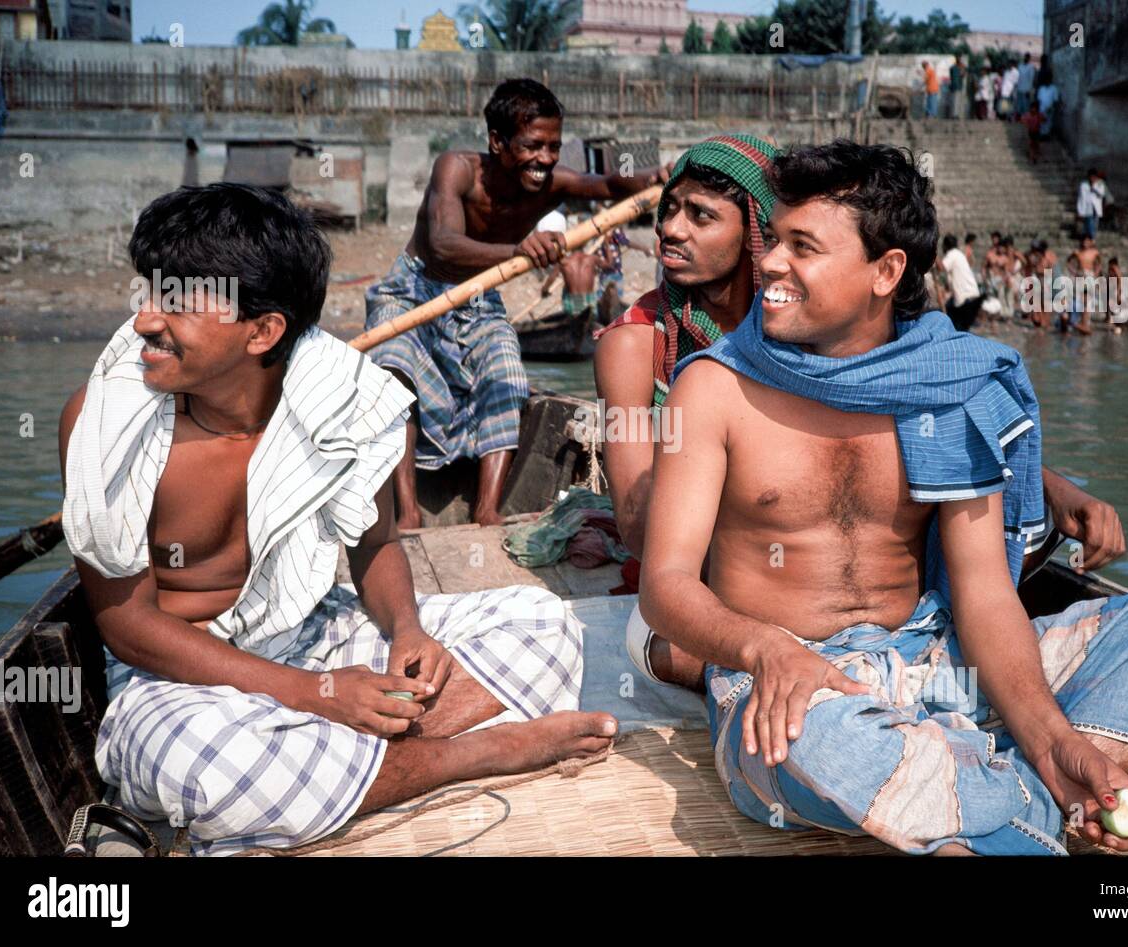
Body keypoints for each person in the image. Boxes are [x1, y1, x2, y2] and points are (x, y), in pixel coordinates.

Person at [638, 139, 1128, 856]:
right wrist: (763, 646)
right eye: (773, 239)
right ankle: (1047, 789)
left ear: (885, 270)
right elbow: (666, 584)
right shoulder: (713, 387)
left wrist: (1056, 746)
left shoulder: (950, 386)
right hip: (793, 685)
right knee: (825, 746)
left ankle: (1006, 781)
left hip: (936, 663)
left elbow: (986, 596)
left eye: (802, 246)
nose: (770, 262)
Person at [58, 184, 617, 856]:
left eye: (175, 303)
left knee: (546, 625)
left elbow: (375, 542)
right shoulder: (107, 417)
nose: (145, 320)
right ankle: (473, 753)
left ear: (263, 331)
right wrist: (314, 694)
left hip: (309, 631)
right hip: (178, 675)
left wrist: (407, 627)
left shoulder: (337, 399)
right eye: (147, 292)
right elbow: (128, 626)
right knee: (207, 765)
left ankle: (335, 765)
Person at [364, 78, 670, 530]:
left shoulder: (551, 183)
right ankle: (408, 511)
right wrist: (518, 253)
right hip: (416, 291)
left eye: (553, 146)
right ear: (497, 142)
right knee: (392, 368)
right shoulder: (457, 169)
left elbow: (605, 183)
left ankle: (486, 509)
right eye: (533, 146)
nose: (545, 159)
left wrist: (650, 180)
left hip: (478, 298)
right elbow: (444, 245)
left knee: (506, 367)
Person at [592, 133, 778, 687]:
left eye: (701, 215)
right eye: (670, 210)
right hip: (691, 595)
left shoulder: (797, 334)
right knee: (672, 649)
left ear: (756, 236)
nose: (671, 229)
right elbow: (637, 523)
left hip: (799, 589)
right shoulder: (631, 345)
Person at [940, 233, 982, 331]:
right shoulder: (958, 254)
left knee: (958, 327)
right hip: (972, 294)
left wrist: (932, 257)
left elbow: (942, 267)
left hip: (965, 297)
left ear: (945, 246)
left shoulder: (952, 254)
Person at [1065, 234, 1102, 334]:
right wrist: (1073, 272)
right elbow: (1068, 261)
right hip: (1080, 275)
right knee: (1079, 299)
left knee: (1088, 300)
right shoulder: (1077, 252)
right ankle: (1079, 321)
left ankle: (1085, 322)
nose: (1085, 243)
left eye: (1087, 241)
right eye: (1083, 241)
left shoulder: (1094, 252)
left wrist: (1096, 273)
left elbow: (1099, 263)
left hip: (1090, 275)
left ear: (1090, 242)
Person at [1077, 168, 1104, 239]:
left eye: (1094, 177)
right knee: (1089, 224)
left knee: (1094, 225)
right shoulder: (1083, 185)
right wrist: (1080, 211)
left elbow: (1101, 194)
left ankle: (1091, 238)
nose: (1093, 178)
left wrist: (1094, 189)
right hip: (1087, 208)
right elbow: (1081, 198)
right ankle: (1091, 239)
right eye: (1091, 177)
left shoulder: (1100, 183)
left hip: (1096, 208)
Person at [1036, 68, 1059, 137]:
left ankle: (1047, 135)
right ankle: (1042, 134)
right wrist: (1038, 109)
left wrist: (1051, 108)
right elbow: (1039, 100)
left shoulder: (1054, 88)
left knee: (1048, 123)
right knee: (1042, 123)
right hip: (1041, 109)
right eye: (1046, 78)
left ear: (1051, 79)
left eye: (1048, 78)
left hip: (1050, 109)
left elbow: (1055, 100)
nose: (1047, 80)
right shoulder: (1041, 88)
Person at [1015, 51, 1036, 118]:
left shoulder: (1031, 67)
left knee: (1026, 106)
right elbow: (1017, 77)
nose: (1026, 58)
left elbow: (1031, 79)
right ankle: (1020, 118)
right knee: (1019, 105)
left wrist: (1029, 90)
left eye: (1027, 57)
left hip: (1026, 90)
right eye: (1025, 57)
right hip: (1019, 89)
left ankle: (1026, 119)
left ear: (1029, 58)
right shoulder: (1020, 66)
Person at [948, 54, 967, 119]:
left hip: (958, 86)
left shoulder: (959, 67)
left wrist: (963, 68)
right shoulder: (953, 68)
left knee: (957, 101)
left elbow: (963, 75)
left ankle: (955, 115)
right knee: (955, 101)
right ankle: (954, 115)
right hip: (955, 86)